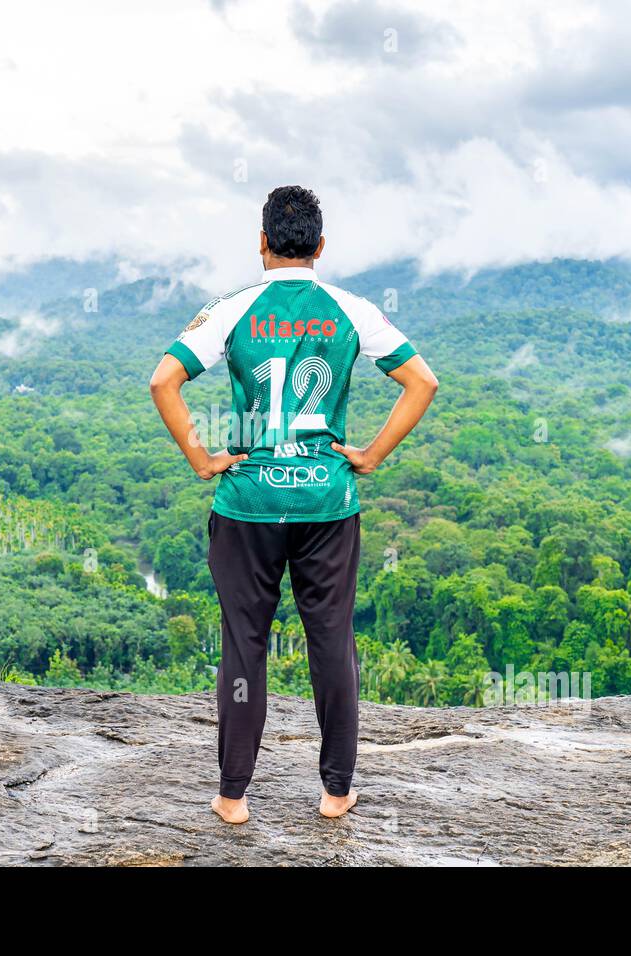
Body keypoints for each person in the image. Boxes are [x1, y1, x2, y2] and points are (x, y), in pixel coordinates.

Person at [149, 185, 438, 824]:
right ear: (321, 246)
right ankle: (336, 793)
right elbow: (423, 381)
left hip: (248, 502)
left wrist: (202, 460)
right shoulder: (351, 309)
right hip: (326, 501)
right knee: (331, 641)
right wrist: (368, 456)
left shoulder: (233, 308)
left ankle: (232, 797)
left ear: (261, 243)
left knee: (244, 647)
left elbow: (163, 379)